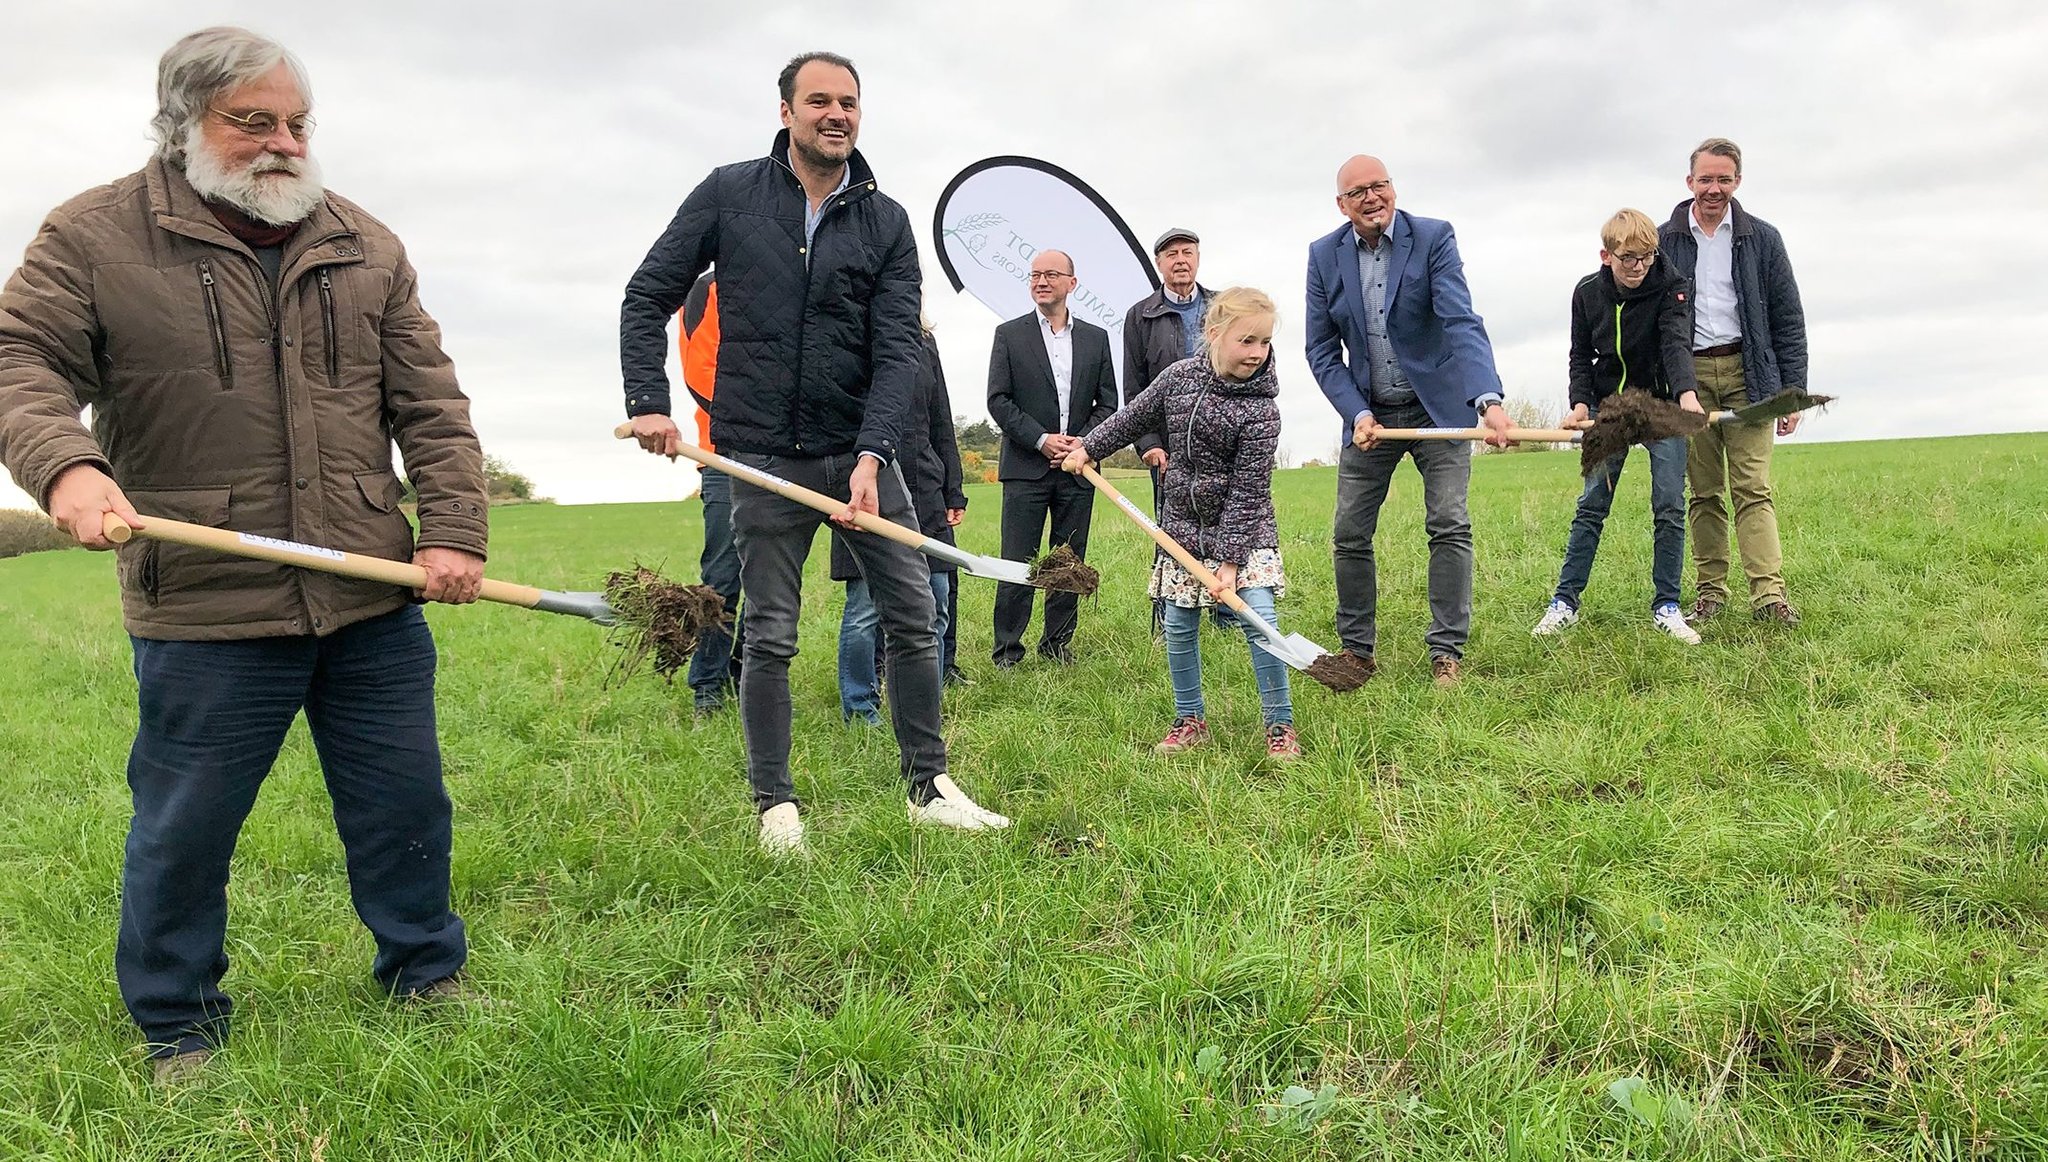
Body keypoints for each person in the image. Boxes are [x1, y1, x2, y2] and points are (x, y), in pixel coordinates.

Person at [0, 27, 490, 1082]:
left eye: (296, 123)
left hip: (370, 591)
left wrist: (452, 527)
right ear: (183, 123)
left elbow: (432, 408)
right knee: (186, 825)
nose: (281, 142)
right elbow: (18, 359)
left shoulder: (363, 243)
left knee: (404, 800)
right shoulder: (91, 238)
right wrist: (66, 469)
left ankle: (424, 970)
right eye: (253, 121)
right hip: (208, 603)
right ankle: (177, 1019)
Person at [620, 51, 1007, 856]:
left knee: (915, 615)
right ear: (788, 111)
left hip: (860, 454)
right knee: (771, 633)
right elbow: (647, 292)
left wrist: (873, 456)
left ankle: (928, 786)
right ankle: (775, 807)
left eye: (850, 103)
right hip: (759, 458)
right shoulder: (730, 194)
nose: (837, 115)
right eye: (820, 101)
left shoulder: (887, 220)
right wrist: (649, 404)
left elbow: (900, 350)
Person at [1063, 288, 1298, 759]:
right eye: (1247, 340)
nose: (1257, 353)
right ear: (1214, 334)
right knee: (1178, 623)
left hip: (1244, 529)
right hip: (1182, 527)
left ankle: (1280, 725)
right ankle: (1189, 719)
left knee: (1260, 619)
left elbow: (1249, 490)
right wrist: (1088, 448)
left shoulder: (1262, 409)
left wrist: (1230, 562)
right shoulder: (1178, 379)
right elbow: (1131, 419)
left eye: (1265, 342)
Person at [1304, 155, 1512, 687]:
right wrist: (1358, 411)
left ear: (1392, 188)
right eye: (1358, 192)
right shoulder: (1324, 256)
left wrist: (1487, 400)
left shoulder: (1434, 237)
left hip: (1437, 407)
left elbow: (1460, 319)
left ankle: (1447, 652)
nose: (1372, 198)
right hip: (1371, 414)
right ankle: (1356, 651)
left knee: (1449, 522)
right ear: (1341, 204)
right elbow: (1322, 349)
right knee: (1349, 532)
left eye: (1380, 186)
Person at [1531, 209, 1705, 644]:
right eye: (1628, 258)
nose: (1638, 267)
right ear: (1606, 255)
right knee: (1592, 504)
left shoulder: (1672, 285)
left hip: (1662, 407)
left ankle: (1667, 605)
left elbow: (1675, 343)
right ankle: (1564, 603)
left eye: (1646, 257)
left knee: (1669, 505)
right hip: (1609, 410)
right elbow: (1580, 356)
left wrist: (1686, 395)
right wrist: (1580, 403)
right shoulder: (1587, 292)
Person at [1659, 137, 1810, 627]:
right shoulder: (1664, 240)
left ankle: (1769, 596)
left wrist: (1793, 392)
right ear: (1689, 182)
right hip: (1690, 378)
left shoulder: (1762, 239)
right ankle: (1710, 594)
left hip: (1750, 374)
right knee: (1703, 492)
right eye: (1706, 179)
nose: (1714, 189)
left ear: (1738, 182)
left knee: (1753, 487)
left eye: (1724, 179)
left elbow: (1788, 319)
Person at [986, 248, 1119, 667]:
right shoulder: (1009, 334)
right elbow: (998, 401)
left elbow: (1109, 403)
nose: (1041, 281)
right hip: (1026, 468)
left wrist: (1081, 444)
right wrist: (1041, 439)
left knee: (1069, 559)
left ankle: (1057, 644)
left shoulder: (1096, 338)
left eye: (1051, 274)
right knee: (1017, 560)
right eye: (1035, 275)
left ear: (1071, 284)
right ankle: (1008, 650)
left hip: (1077, 470)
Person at [834, 314, 967, 723]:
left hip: (924, 484)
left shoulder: (924, 342)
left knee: (938, 595)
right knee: (864, 608)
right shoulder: (846, 333)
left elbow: (941, 418)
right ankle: (861, 706)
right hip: (865, 487)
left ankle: (928, 698)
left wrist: (953, 486)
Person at [1122, 227, 1211, 630]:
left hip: (1217, 439)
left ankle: (1225, 613)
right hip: (1169, 447)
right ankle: (1169, 619)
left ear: (1197, 257)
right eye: (1171, 253)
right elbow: (1134, 387)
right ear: (1159, 263)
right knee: (1171, 532)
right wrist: (1148, 443)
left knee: (1224, 525)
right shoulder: (1141, 315)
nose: (1180, 259)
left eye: (1187, 252)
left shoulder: (1221, 306)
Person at [677, 271, 744, 713]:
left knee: (772, 581)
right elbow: (699, 372)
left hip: (785, 459)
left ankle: (748, 674)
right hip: (726, 458)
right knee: (722, 578)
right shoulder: (710, 286)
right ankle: (707, 684)